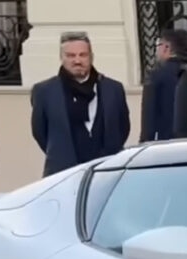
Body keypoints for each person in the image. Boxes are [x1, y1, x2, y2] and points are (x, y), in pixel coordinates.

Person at [29, 31, 131, 176]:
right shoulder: (44, 92)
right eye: (70, 55)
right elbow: (40, 132)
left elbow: (123, 128)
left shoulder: (113, 89)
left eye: (82, 55)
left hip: (108, 173)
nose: (77, 61)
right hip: (62, 175)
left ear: (91, 57)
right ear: (61, 58)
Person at [140, 28, 187, 143]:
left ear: (166, 48)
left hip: (166, 142)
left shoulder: (156, 75)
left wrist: (144, 142)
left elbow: (148, 117)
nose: (157, 50)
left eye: (158, 45)